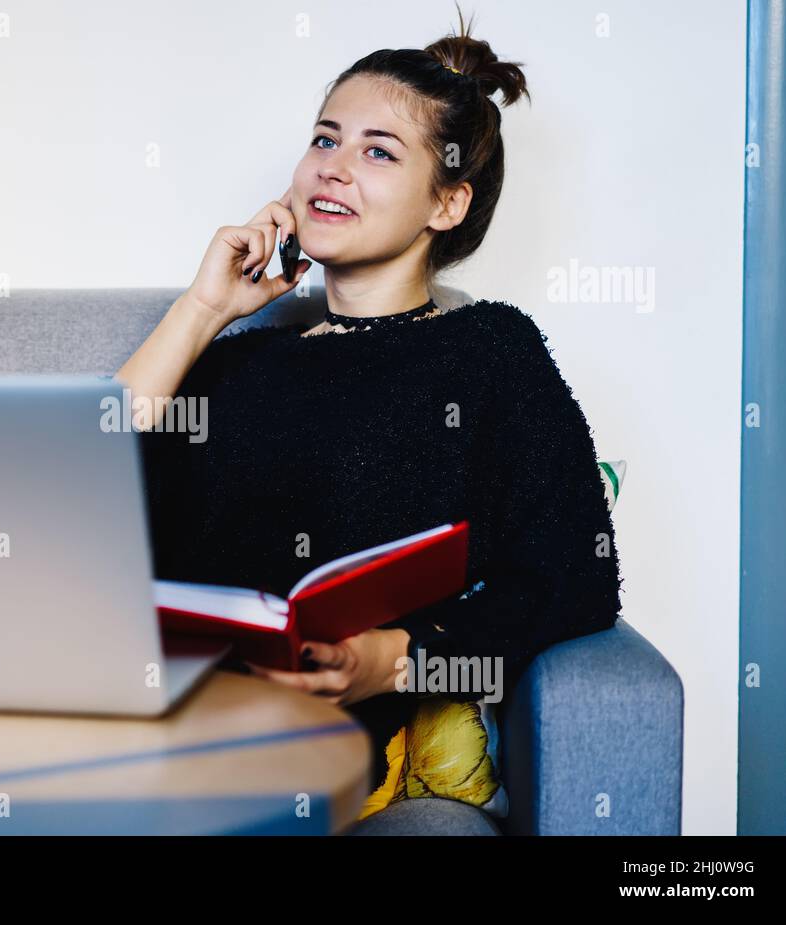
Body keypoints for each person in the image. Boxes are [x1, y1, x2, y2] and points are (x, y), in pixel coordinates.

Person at [115, 12, 623, 819]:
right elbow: (79, 497)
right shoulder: (242, 357)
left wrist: (398, 659)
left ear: (448, 203)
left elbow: (573, 574)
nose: (333, 169)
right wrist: (204, 308)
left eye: (377, 152)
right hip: (164, 714)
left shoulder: (491, 351)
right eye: (324, 140)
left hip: (316, 741)